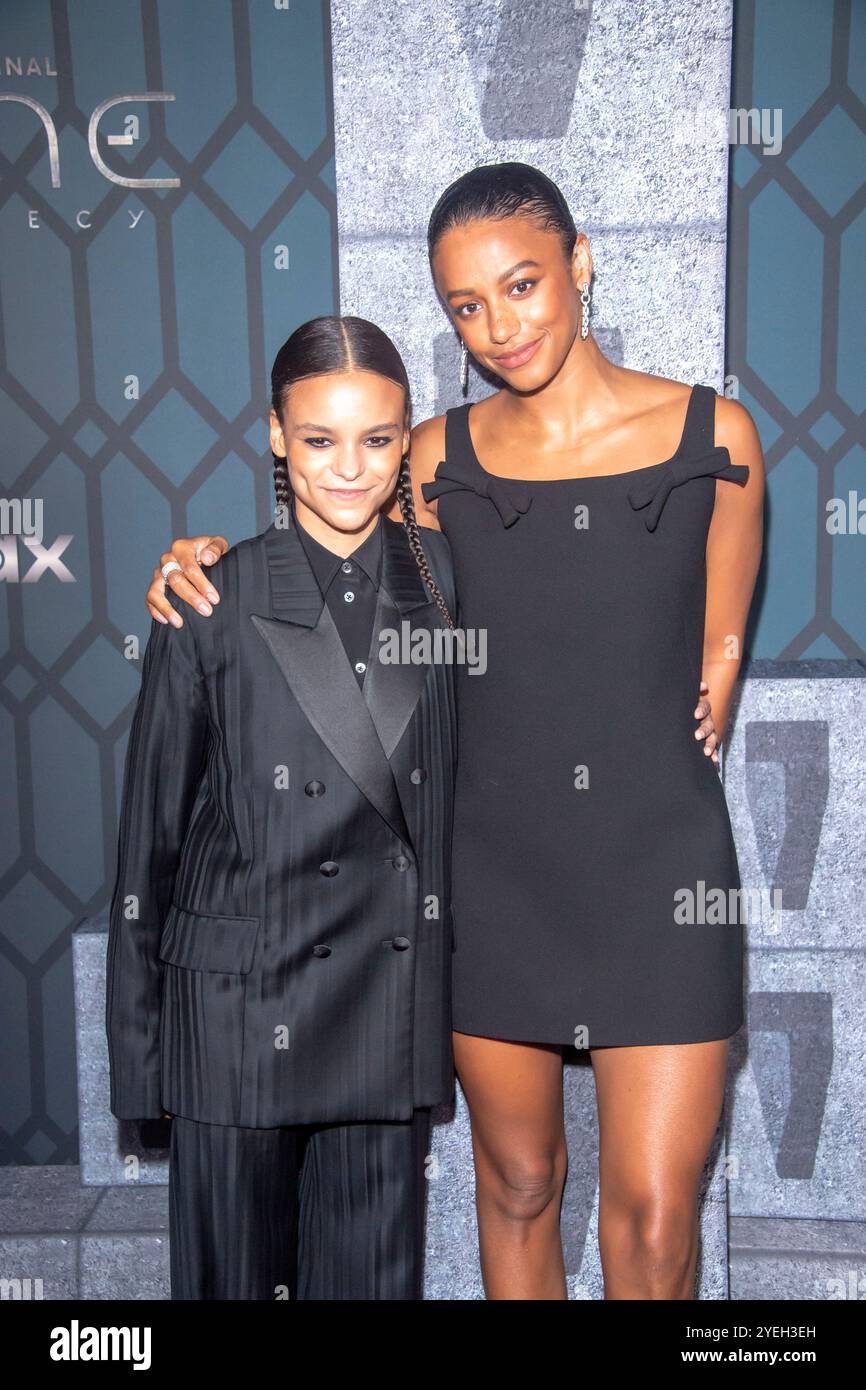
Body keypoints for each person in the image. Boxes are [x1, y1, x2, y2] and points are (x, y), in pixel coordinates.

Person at [142, 162, 763, 1301]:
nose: (498, 326)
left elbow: (721, 630)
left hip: (659, 871)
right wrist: (209, 564)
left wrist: (718, 674)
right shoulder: (431, 457)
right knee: (518, 1183)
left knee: (654, 1223)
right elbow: (333, 560)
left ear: (579, 261)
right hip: (487, 872)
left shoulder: (712, 434)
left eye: (521, 284)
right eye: (465, 307)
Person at [106, 315, 458, 1300]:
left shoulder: (443, 581)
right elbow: (149, 847)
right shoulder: (208, 596)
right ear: (274, 434)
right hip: (232, 1020)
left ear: (406, 439)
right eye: (318, 440)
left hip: (378, 1020)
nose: (349, 468)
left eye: (377, 440)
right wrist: (140, 1068)